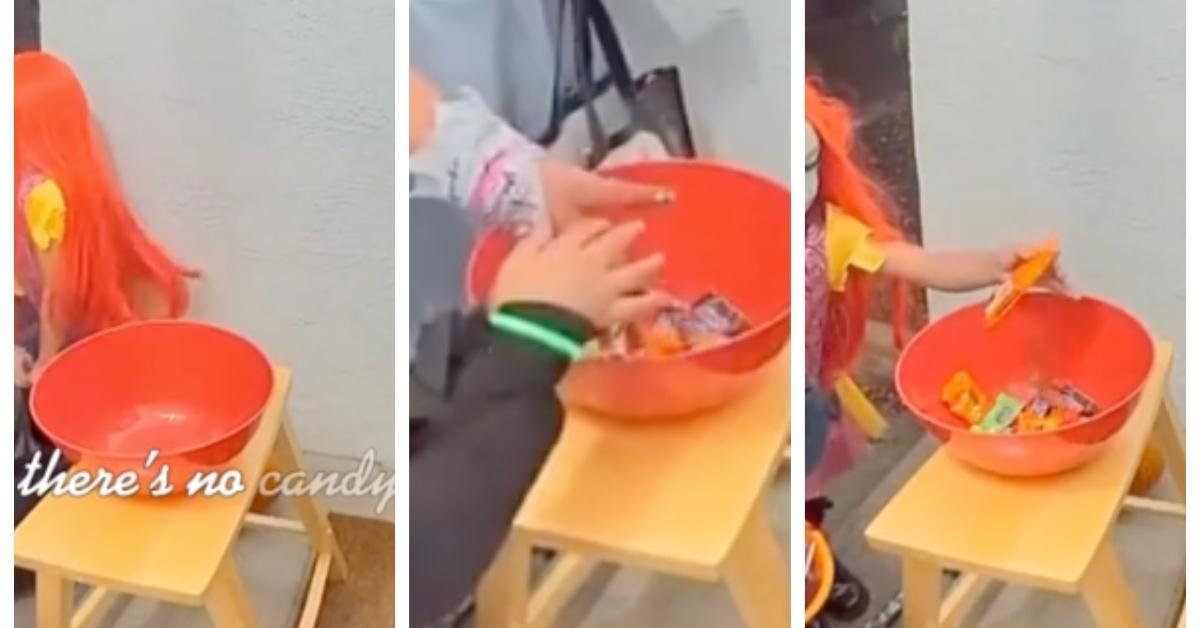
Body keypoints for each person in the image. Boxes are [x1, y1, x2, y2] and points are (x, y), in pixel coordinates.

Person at [804, 78, 1066, 624]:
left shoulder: (830, 234)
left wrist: (997, 262)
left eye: (810, 166)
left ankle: (815, 563)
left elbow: (922, 265)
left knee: (807, 496)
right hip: (755, 390)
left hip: (803, 399)